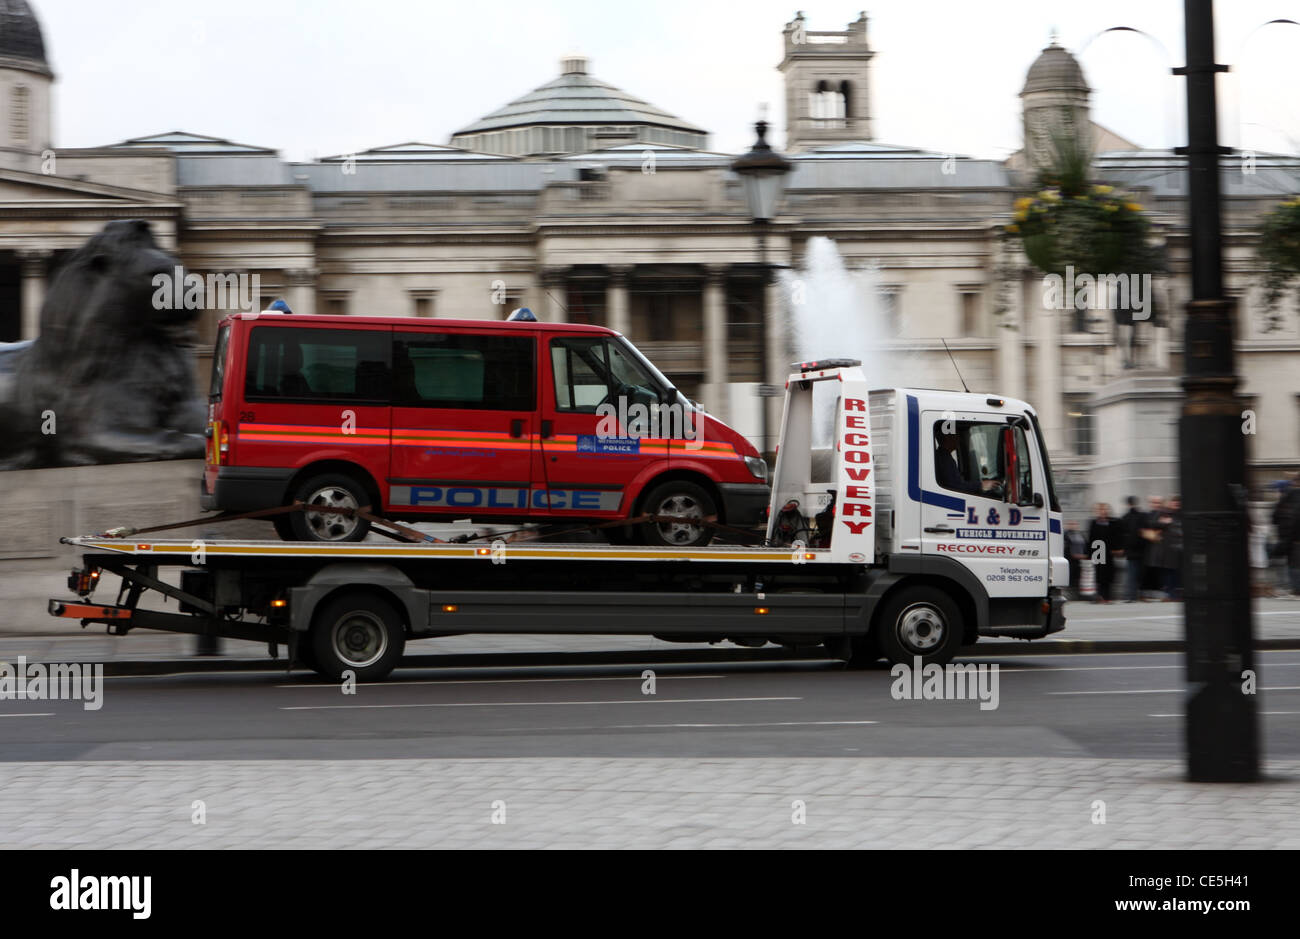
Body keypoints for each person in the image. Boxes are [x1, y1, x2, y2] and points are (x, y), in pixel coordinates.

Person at [934, 431, 999, 497]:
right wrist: (981, 485)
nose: (959, 439)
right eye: (957, 435)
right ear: (948, 437)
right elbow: (955, 486)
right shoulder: (944, 459)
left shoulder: (942, 456)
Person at [1087, 503, 1123, 603]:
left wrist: (1118, 548)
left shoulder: (1112, 522)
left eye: (1105, 510)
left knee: (1107, 575)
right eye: (1101, 510)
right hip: (1097, 551)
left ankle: (1106, 596)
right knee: (1098, 576)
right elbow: (1091, 538)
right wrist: (1090, 554)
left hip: (1108, 552)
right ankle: (1099, 596)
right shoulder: (1094, 522)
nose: (1103, 512)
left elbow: (1117, 536)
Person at [1121, 495, 1149, 602]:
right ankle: (1137, 595)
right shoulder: (1143, 515)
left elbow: (1123, 535)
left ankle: (1131, 596)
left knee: (1132, 574)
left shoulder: (1125, 517)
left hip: (1132, 550)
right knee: (1138, 574)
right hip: (1142, 549)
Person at [1065, 519, 1087, 600]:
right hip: (1070, 560)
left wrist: (1085, 555)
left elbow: (1085, 545)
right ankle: (1071, 596)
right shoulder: (1065, 535)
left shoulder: (1080, 535)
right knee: (1071, 577)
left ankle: (1078, 595)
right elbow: (1066, 548)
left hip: (1080, 559)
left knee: (1078, 578)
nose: (1073, 525)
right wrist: (1072, 555)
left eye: (1074, 524)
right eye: (1071, 523)